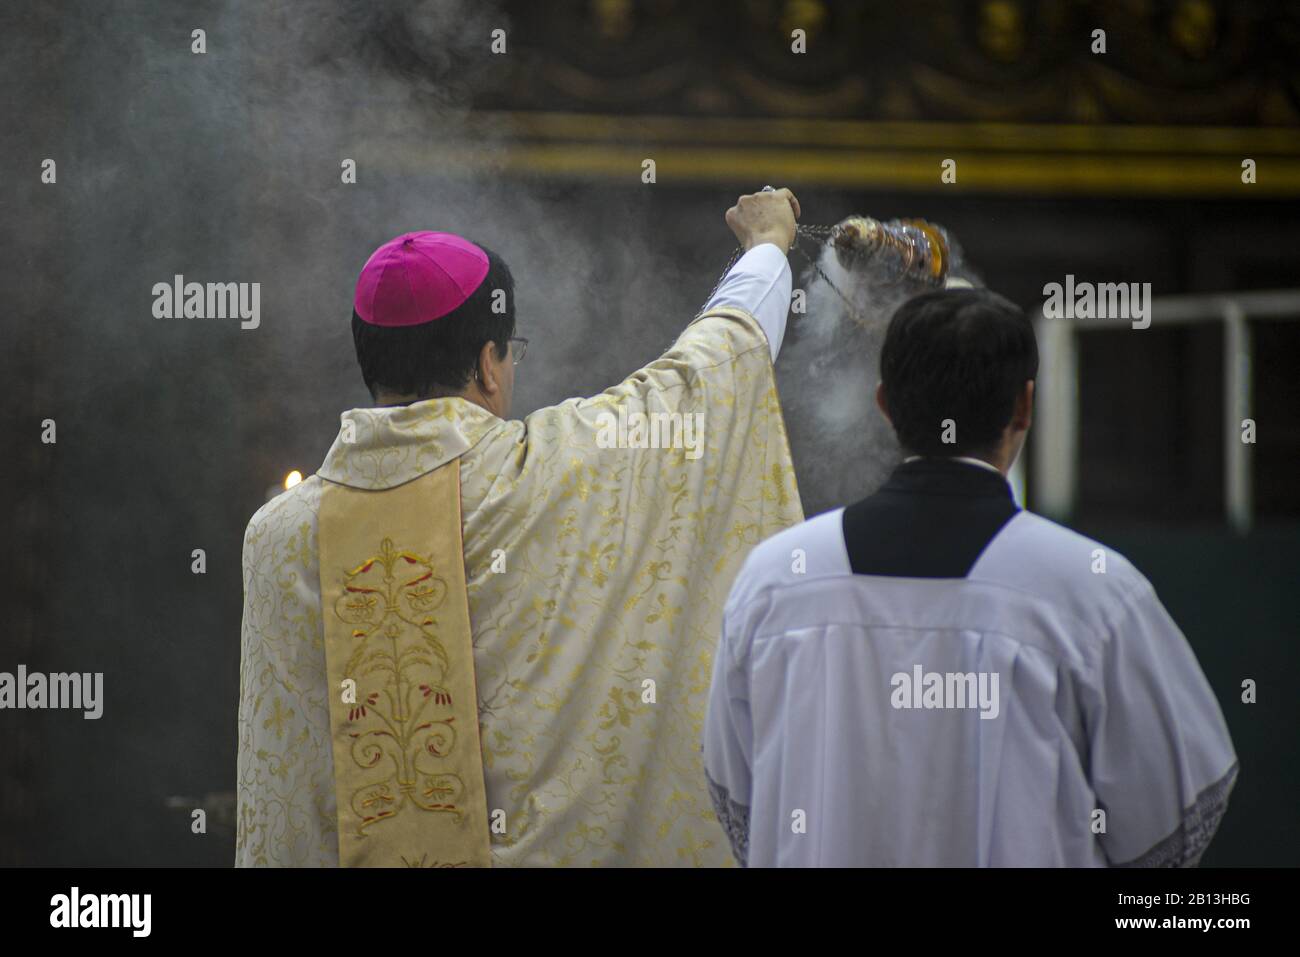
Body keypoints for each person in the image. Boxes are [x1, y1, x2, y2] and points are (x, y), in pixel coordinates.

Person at [236, 189, 805, 866]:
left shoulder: (275, 538)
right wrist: (767, 247)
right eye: (511, 354)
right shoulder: (558, 469)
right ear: (486, 362)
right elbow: (717, 364)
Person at [703, 287, 1238, 867]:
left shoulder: (774, 581)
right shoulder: (1092, 591)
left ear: (884, 404)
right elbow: (1173, 819)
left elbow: (742, 804)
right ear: (1025, 406)